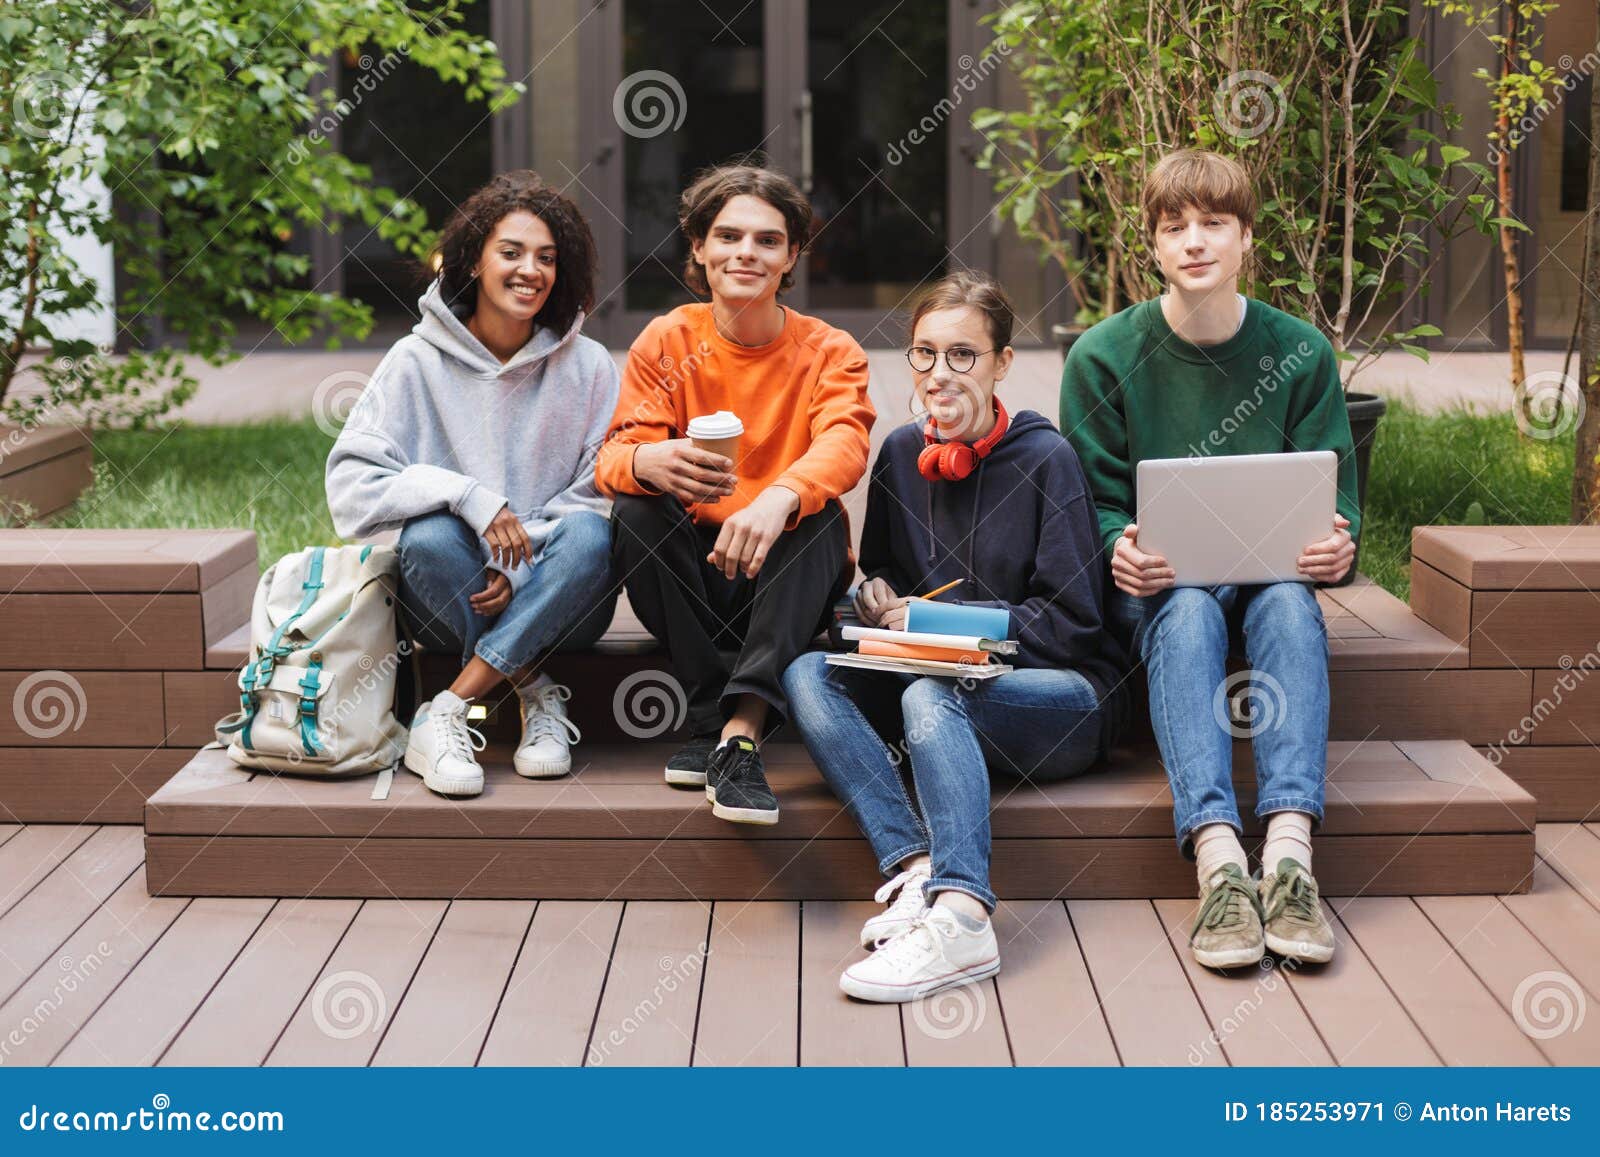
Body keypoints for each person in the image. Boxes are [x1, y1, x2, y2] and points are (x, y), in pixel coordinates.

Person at [782, 271, 1128, 1002]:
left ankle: (964, 912)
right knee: (809, 675)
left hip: (1057, 701)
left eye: (963, 355)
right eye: (924, 353)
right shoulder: (904, 456)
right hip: (929, 688)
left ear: (1003, 362)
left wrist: (939, 623)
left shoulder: (1047, 459)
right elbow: (881, 582)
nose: (940, 374)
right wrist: (870, 599)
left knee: (934, 692)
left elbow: (1073, 626)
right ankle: (913, 868)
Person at [1061, 149, 1360, 969]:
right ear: (1152, 246)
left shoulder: (1299, 353)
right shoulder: (1103, 355)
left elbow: (1340, 496)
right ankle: (1221, 860)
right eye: (1173, 226)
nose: (1194, 241)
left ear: (1245, 239)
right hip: (1159, 589)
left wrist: (1338, 544)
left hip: (1269, 576)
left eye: (1214, 224)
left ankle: (1291, 854)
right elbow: (1091, 503)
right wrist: (1116, 543)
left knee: (1291, 601)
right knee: (1187, 603)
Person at [596, 162, 875, 827]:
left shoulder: (829, 351)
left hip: (781, 579)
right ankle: (707, 706)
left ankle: (738, 732)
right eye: (727, 236)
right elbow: (611, 459)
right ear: (698, 247)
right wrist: (646, 457)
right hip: (693, 576)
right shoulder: (668, 340)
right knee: (634, 507)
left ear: (791, 257)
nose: (746, 252)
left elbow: (845, 441)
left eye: (768, 240)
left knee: (819, 518)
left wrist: (781, 494)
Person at [326, 171, 619, 798]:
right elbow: (351, 484)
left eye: (546, 257)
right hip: (452, 593)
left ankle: (448, 709)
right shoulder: (415, 360)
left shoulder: (589, 365)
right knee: (430, 537)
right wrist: (470, 498)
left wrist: (518, 562)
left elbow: (600, 486)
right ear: (474, 261)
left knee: (593, 536)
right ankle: (535, 691)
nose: (529, 270)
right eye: (510, 253)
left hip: (561, 594)